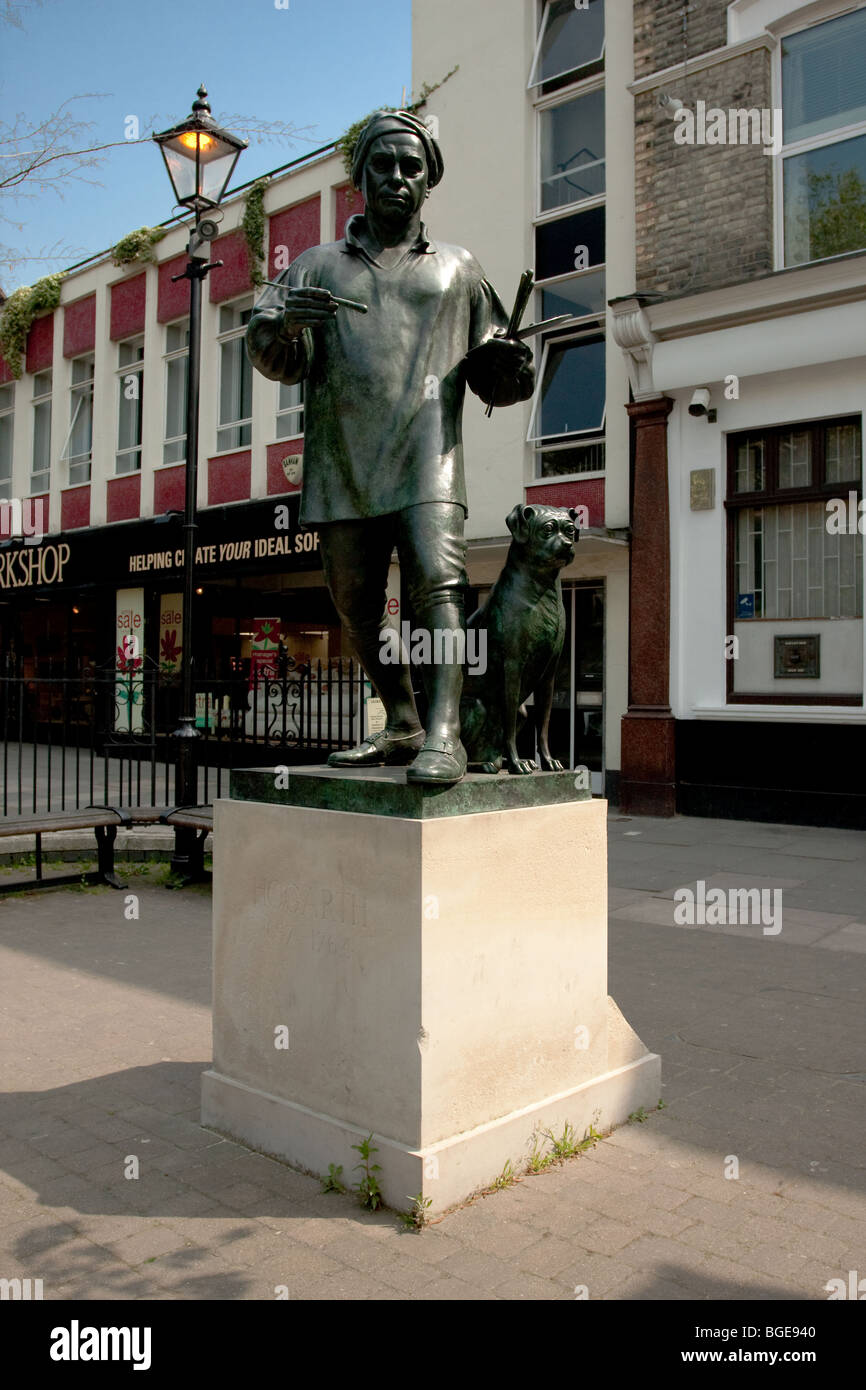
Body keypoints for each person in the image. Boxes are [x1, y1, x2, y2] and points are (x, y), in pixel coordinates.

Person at [246, 110, 533, 783]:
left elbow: (500, 372)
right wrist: (283, 323)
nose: (398, 178)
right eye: (384, 164)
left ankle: (445, 733)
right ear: (361, 176)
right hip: (344, 459)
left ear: (428, 181)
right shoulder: (315, 267)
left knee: (440, 583)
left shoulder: (458, 269)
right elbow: (275, 357)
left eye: (412, 167)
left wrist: (513, 370)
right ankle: (401, 719)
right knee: (354, 602)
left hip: (431, 453)